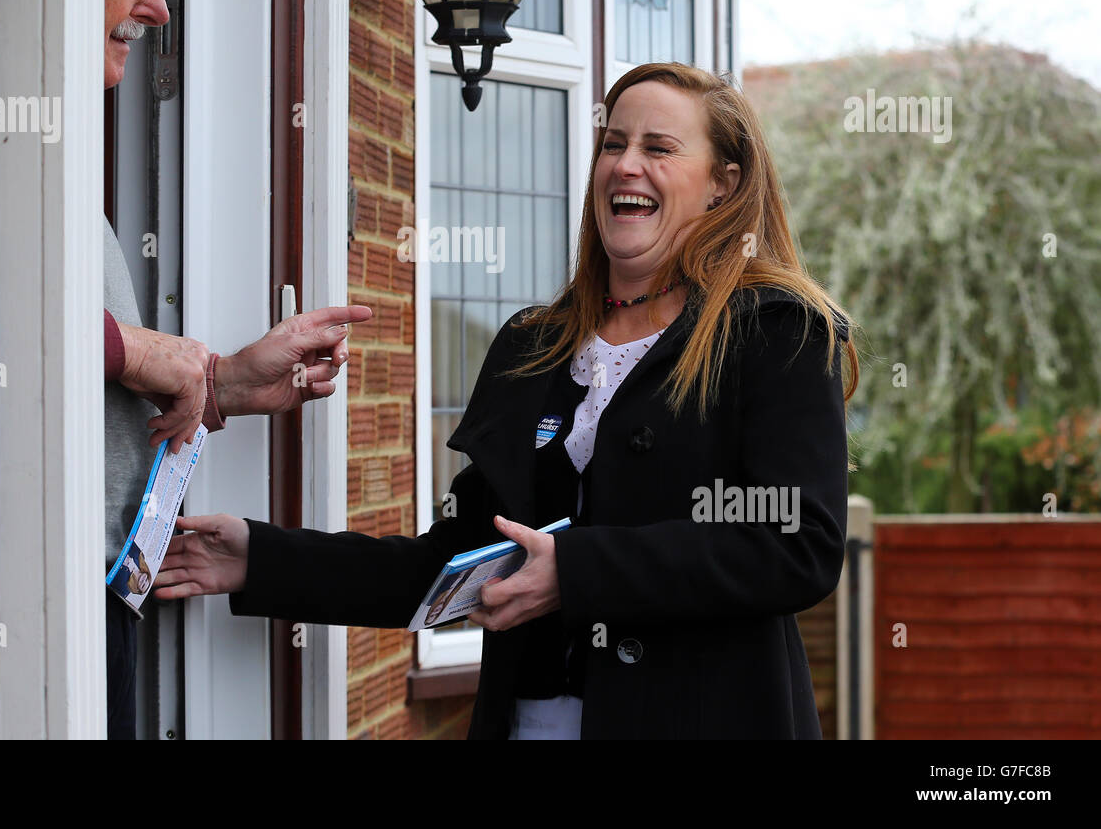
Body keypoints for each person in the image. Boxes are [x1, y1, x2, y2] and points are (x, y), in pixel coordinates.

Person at [155, 62, 859, 740]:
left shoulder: (777, 332)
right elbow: (455, 560)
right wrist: (261, 558)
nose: (625, 164)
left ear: (722, 183)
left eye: (659, 147)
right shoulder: (536, 347)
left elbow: (797, 545)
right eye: (612, 142)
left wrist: (578, 571)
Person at [99, 0, 371, 739]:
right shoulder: (10, 151)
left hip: (104, 607)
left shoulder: (66, 187)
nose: (157, 6)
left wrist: (223, 386)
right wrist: (135, 349)